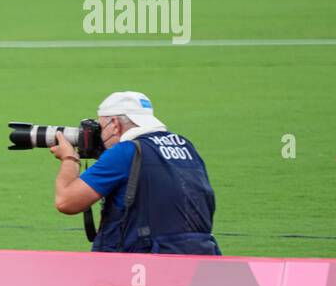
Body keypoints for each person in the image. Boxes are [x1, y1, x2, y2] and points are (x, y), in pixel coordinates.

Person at [50, 91, 220, 254]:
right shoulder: (185, 146)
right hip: (199, 255)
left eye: (101, 127)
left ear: (115, 124)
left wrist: (70, 159)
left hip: (143, 265)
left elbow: (66, 202)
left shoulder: (126, 152)